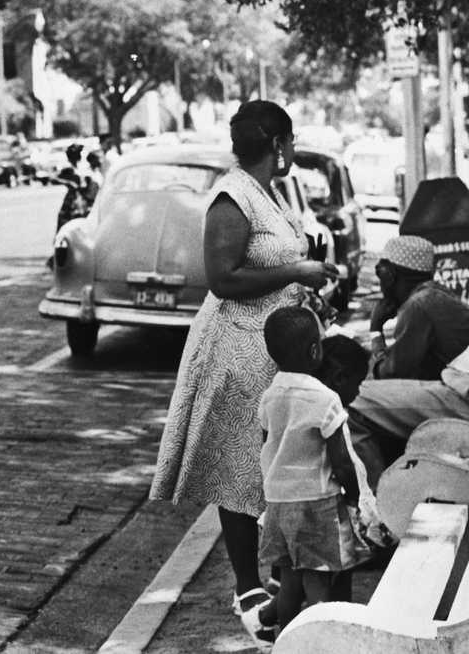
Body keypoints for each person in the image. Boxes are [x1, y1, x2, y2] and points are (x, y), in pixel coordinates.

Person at [150, 100, 339, 629]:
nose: (294, 150)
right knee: (237, 466)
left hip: (271, 342)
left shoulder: (266, 193)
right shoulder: (233, 196)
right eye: (292, 141)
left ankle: (276, 572)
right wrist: (296, 270)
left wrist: (305, 284)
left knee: (271, 460)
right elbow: (223, 277)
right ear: (277, 145)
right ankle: (248, 586)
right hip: (236, 345)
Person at [248, 307, 370, 638]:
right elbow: (341, 462)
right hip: (316, 503)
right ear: (314, 350)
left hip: (278, 503)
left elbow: (267, 445)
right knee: (318, 584)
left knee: (289, 583)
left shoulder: (270, 396)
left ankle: (286, 640)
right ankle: (320, 642)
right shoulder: (325, 398)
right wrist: (354, 496)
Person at [350, 278, 469, 487]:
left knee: (352, 400)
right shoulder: (432, 297)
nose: (380, 276)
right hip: (468, 388)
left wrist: (376, 332)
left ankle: (375, 508)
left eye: (383, 269)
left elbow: (390, 370)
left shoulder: (422, 302)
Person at [367, 235, 469, 381]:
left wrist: (375, 330)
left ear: (389, 275)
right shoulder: (435, 294)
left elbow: (388, 374)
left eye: (379, 272)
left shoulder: (418, 305)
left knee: (364, 393)